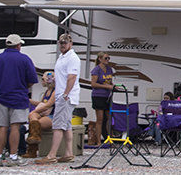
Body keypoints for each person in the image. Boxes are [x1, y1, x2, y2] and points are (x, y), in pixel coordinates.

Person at [0, 34, 38, 166]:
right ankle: (13, 156)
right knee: (15, 127)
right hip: (19, 98)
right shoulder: (25, 59)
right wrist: (22, 87)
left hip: (1, 98)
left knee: (1, 127)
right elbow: (32, 80)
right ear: (18, 45)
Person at [37, 33, 80, 164]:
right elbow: (62, 75)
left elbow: (72, 77)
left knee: (58, 125)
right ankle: (68, 153)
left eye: (65, 43)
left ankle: (52, 155)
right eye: (61, 43)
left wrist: (66, 94)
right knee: (66, 125)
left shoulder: (72, 58)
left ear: (71, 44)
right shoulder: (62, 57)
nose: (62, 45)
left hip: (65, 96)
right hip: (63, 94)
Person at [23, 72, 56, 158]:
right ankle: (33, 142)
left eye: (43, 79)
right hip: (44, 113)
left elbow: (48, 105)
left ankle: (32, 149)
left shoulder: (55, 91)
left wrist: (34, 111)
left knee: (36, 123)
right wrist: (28, 100)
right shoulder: (47, 91)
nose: (41, 81)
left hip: (53, 116)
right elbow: (41, 104)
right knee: (34, 119)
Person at [89, 51, 116, 145]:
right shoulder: (96, 70)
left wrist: (113, 86)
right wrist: (106, 87)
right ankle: (98, 141)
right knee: (100, 119)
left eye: (109, 58)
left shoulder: (110, 69)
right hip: (98, 95)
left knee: (109, 117)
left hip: (107, 96)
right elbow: (93, 84)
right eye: (106, 58)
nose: (108, 60)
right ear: (100, 59)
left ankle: (109, 138)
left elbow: (109, 82)